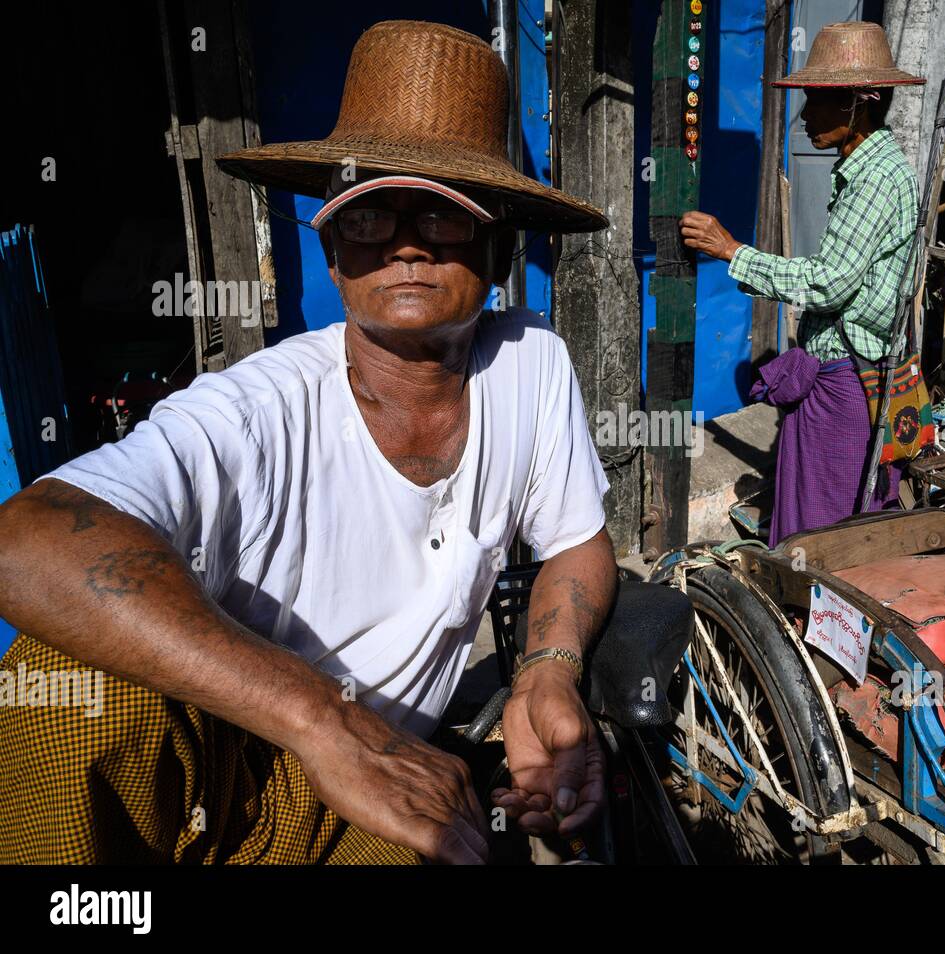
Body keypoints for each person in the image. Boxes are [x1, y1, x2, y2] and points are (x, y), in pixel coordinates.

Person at [0, 21, 616, 864]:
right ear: (331, 252)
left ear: (499, 244)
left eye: (441, 213)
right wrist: (323, 721)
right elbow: (24, 541)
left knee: (443, 842)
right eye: (367, 213)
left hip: (382, 790)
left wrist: (547, 668)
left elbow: (578, 544)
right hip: (231, 756)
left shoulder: (533, 364)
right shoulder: (254, 414)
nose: (403, 242)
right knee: (62, 693)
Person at [679, 21, 924, 544]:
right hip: (855, 376)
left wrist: (734, 252)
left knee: (823, 532)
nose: (806, 116)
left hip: (848, 385)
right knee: (828, 517)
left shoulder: (877, 177)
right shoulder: (868, 170)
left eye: (817, 101)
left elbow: (831, 283)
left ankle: (815, 618)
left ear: (860, 103)